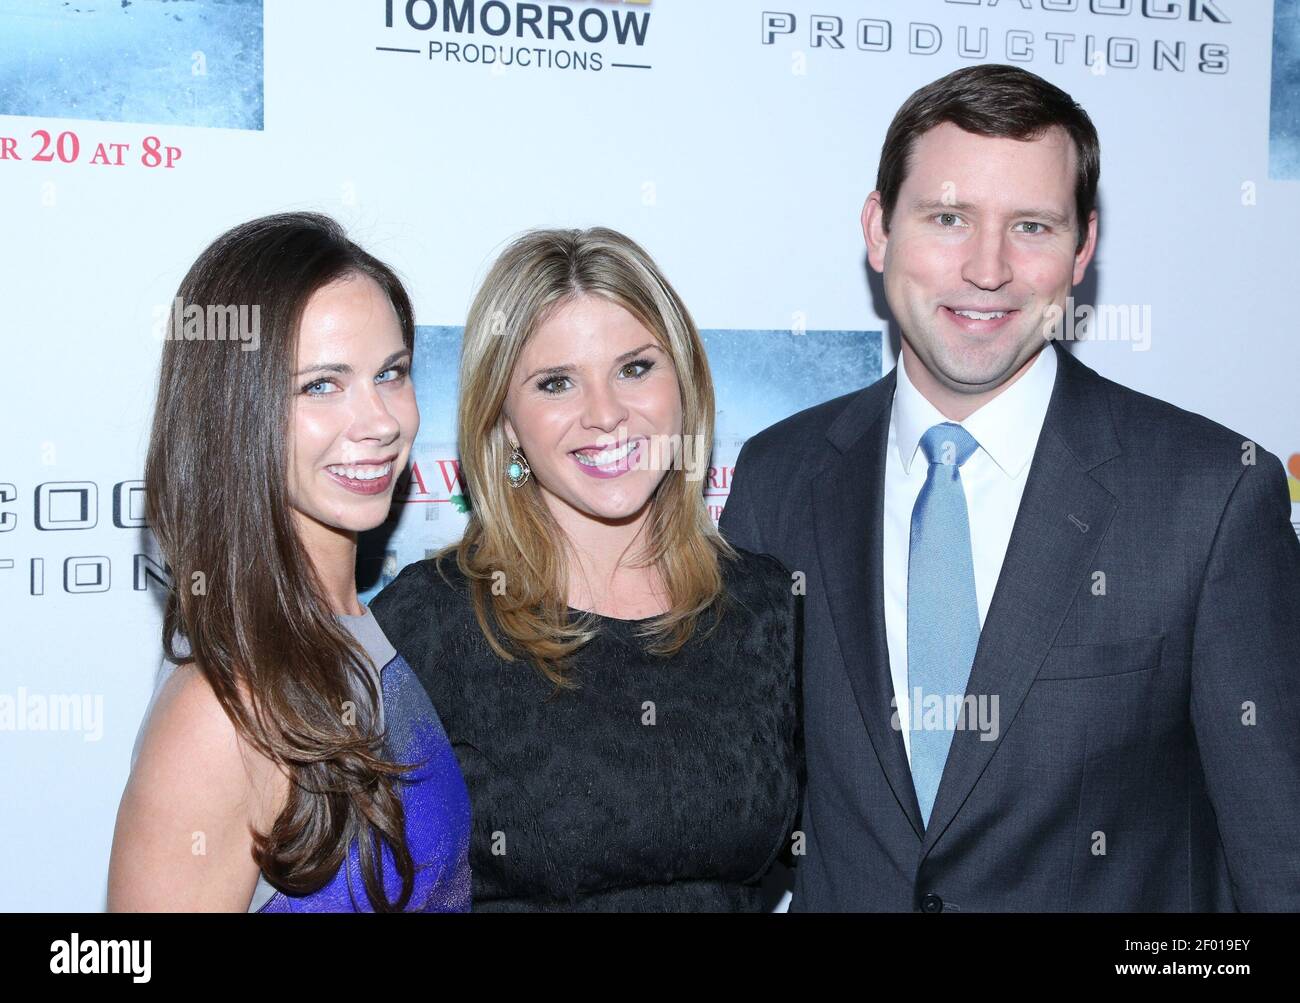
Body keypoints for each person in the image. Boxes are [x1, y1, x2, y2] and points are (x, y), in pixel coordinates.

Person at [720, 64, 1300, 911]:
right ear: (879, 230)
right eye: (948, 218)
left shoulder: (1210, 497)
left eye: (1031, 225)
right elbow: (739, 818)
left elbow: (1278, 858)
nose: (987, 269)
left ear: (1082, 249)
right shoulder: (780, 476)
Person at [370, 226, 801, 911]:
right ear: (505, 422)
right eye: (556, 382)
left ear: (684, 382)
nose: (605, 414)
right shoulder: (428, 623)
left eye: (635, 368)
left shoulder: (768, 606)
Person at [108, 212, 471, 912]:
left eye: (390, 374)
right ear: (234, 411)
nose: (381, 421)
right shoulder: (221, 714)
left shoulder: (353, 625)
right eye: (321, 386)